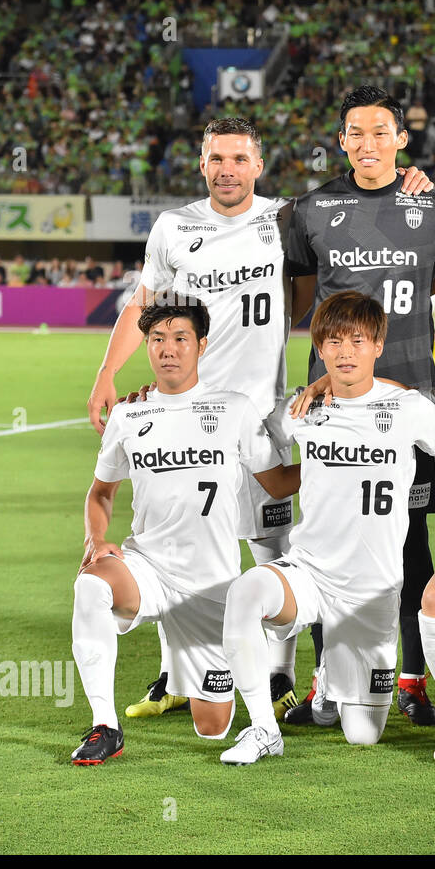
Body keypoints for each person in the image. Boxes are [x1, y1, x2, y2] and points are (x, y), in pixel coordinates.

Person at [86, 117, 301, 721]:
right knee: (169, 540)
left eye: (239, 158)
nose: (227, 169)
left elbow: (350, 208)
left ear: (259, 164)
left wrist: (410, 183)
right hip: (182, 411)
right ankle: (176, 674)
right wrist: (107, 373)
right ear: (201, 164)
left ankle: (279, 672)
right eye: (216, 159)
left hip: (258, 414)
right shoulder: (175, 227)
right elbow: (144, 303)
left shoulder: (284, 220)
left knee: (270, 544)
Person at [284, 85, 435, 726]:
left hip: (408, 404)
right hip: (330, 406)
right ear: (341, 141)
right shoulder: (311, 210)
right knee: (327, 539)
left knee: (411, 541)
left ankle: (414, 677)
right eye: (354, 134)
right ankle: (328, 679)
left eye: (379, 132)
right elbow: (301, 296)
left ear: (401, 139)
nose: (367, 144)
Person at [218, 292, 435, 764]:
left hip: (372, 589)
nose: (345, 351)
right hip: (310, 572)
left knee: (362, 735)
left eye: (357, 340)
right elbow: (273, 473)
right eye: (333, 341)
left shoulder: (409, 408)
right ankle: (264, 730)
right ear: (319, 347)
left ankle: (331, 673)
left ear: (378, 344)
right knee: (246, 592)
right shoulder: (303, 410)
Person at [69, 295, 298, 764]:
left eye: (180, 338)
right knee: (90, 587)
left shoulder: (233, 409)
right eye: (156, 339)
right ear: (147, 346)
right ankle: (104, 727)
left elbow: (275, 484)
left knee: (212, 728)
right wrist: (96, 540)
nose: (168, 349)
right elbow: (101, 493)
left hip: (211, 586)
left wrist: (330, 461)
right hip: (147, 568)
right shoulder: (129, 416)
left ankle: (183, 673)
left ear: (202, 344)